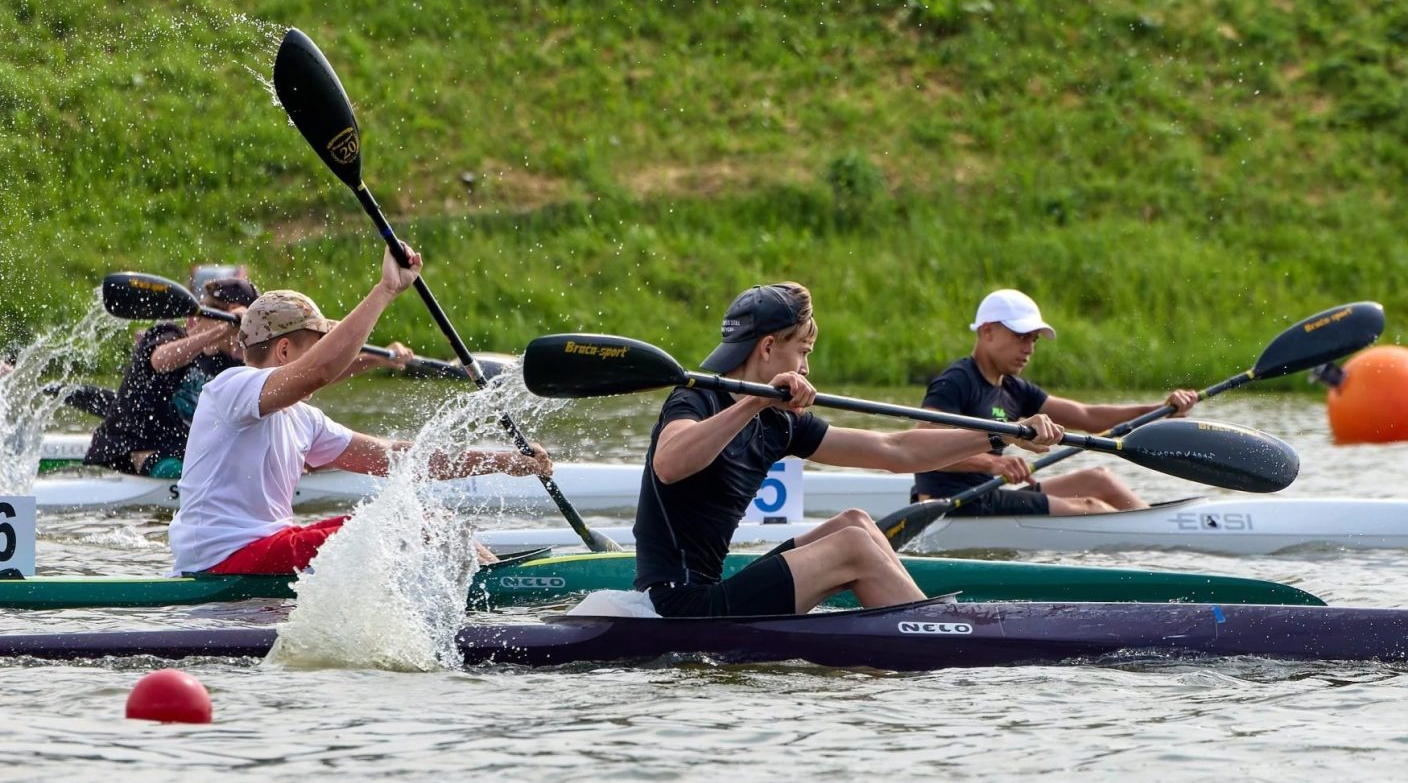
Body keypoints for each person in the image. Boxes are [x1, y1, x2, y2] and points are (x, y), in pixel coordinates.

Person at [632, 281, 1064, 618]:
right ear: (767, 348)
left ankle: (928, 621)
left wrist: (1002, 434)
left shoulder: (780, 422)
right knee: (852, 548)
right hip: (679, 606)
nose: (806, 369)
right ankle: (940, 634)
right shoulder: (695, 399)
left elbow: (896, 450)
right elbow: (669, 464)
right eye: (802, 352)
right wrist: (754, 401)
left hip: (711, 590)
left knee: (853, 524)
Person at [167, 246, 552, 576]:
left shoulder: (302, 419)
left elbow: (400, 458)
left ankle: (485, 579)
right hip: (222, 559)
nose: (330, 355)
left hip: (259, 552)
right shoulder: (231, 388)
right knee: (404, 522)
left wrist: (501, 461)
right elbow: (320, 370)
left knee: (427, 522)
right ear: (283, 351)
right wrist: (386, 289)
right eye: (319, 344)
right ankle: (496, 590)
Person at [912, 288, 1199, 515]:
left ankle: (1156, 525)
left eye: (1034, 340)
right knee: (1091, 508)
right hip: (956, 503)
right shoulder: (956, 381)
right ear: (987, 332)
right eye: (1021, 337)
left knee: (1100, 479)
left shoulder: (1014, 388)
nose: (1029, 349)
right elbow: (921, 443)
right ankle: (1154, 543)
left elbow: (1086, 416)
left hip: (990, 494)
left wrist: (1161, 410)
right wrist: (992, 464)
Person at [83, 277, 261, 478]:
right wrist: (222, 329)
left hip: (180, 452)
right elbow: (160, 361)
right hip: (132, 451)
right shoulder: (168, 334)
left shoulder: (229, 363)